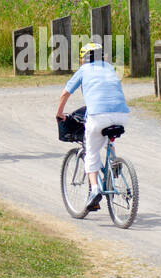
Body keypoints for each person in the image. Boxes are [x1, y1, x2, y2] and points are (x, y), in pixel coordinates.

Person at [55, 41, 128, 212]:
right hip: (122, 114)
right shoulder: (110, 68)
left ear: (84, 59)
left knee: (91, 152)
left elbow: (65, 93)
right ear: (102, 56)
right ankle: (113, 162)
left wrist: (59, 113)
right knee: (108, 134)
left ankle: (94, 189)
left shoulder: (84, 70)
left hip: (98, 115)